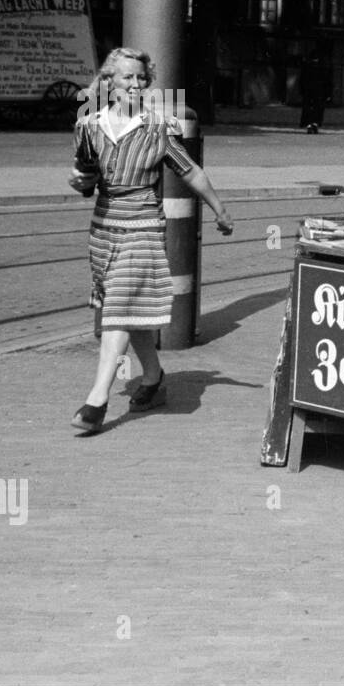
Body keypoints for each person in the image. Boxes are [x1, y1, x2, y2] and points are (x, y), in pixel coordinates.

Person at [68, 48, 234, 433]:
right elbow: (85, 179)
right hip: (105, 228)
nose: (136, 85)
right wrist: (79, 182)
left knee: (119, 309)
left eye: (142, 79)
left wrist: (219, 208)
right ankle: (155, 378)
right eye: (128, 78)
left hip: (143, 224)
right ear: (110, 82)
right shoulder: (89, 127)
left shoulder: (157, 129)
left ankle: (97, 400)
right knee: (131, 312)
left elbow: (190, 172)